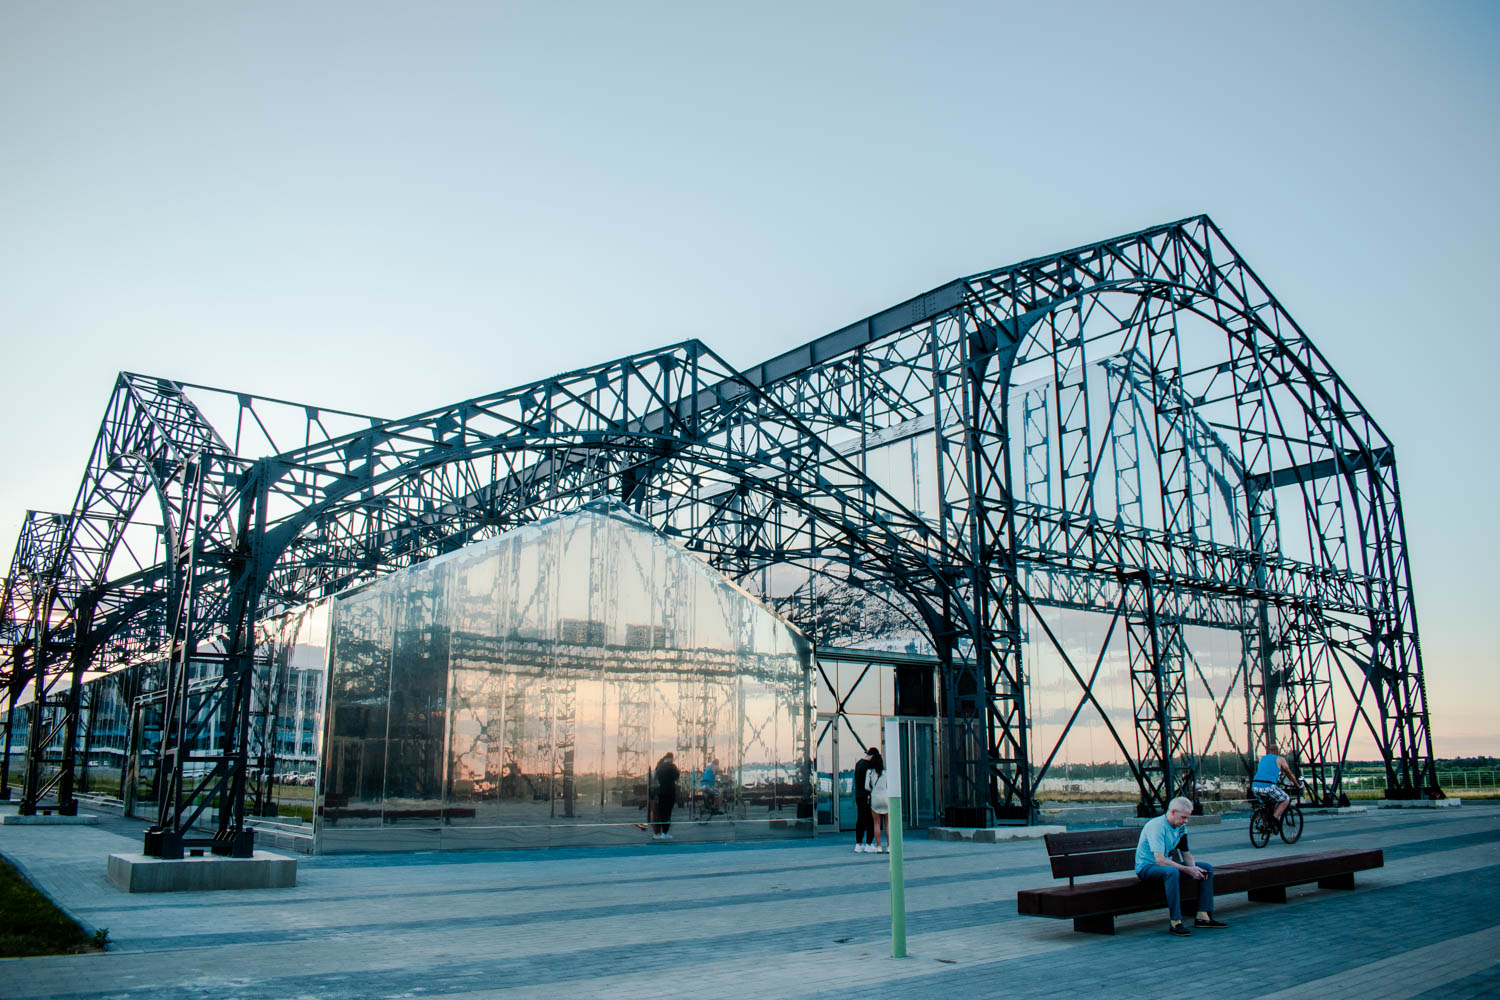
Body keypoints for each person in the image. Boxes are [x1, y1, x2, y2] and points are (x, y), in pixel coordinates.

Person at [1135, 796, 1226, 936]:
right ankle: (1175, 922)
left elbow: (1186, 853)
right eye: (1183, 817)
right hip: (1147, 868)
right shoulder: (1157, 826)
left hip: (1165, 866)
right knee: (1172, 872)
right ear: (1172, 812)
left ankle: (1203, 916)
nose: (1186, 821)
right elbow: (1159, 860)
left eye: (1187, 818)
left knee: (1206, 868)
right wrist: (1187, 870)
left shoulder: (1181, 827)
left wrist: (1194, 868)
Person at [1251, 741, 1298, 822]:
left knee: (1265, 806)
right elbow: (1289, 773)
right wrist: (1296, 783)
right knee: (1285, 799)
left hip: (1255, 787)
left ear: (1269, 751)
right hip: (1268, 787)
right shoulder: (1280, 759)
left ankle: (1265, 824)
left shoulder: (1262, 759)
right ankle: (1274, 818)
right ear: (1277, 751)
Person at [865, 748, 890, 854]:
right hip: (885, 798)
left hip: (875, 798)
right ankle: (889, 847)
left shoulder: (870, 772)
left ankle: (879, 846)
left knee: (876, 823)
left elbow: (867, 787)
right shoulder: (886, 773)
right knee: (888, 824)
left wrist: (873, 790)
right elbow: (889, 787)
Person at [651, 752, 680, 840]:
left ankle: (657, 832)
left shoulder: (659, 767)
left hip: (661, 791)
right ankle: (665, 832)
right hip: (670, 791)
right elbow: (676, 777)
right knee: (668, 813)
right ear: (671, 758)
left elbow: (654, 777)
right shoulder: (672, 767)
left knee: (660, 812)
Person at [852, 747, 875, 853]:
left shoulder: (858, 763)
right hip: (867, 795)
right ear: (873, 756)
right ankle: (869, 844)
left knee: (860, 819)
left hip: (858, 795)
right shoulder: (869, 766)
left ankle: (858, 844)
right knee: (870, 819)